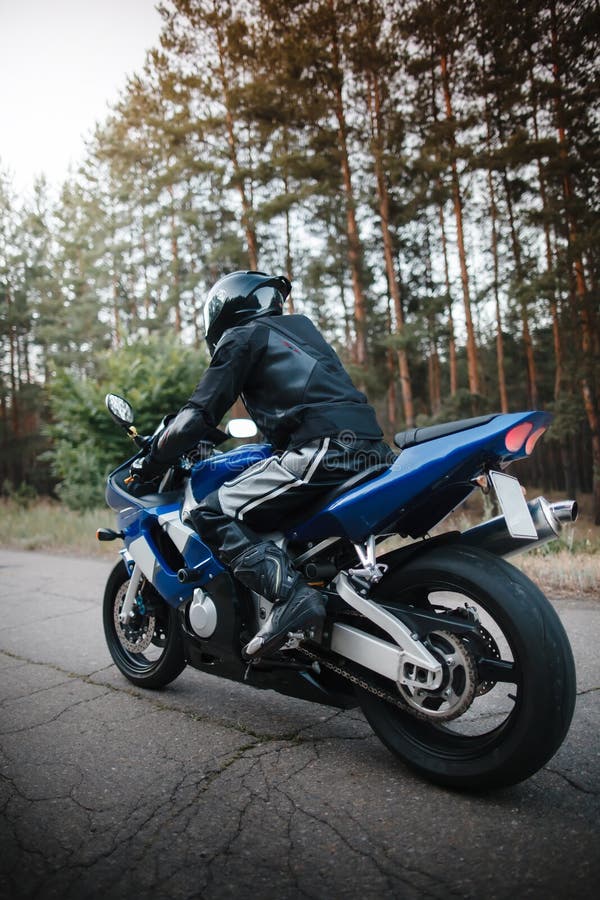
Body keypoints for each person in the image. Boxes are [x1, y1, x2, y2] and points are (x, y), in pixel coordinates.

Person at [132, 270, 393, 660]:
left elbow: (197, 416)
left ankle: (290, 597)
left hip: (323, 449)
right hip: (369, 448)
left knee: (210, 511)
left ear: (224, 310)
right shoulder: (301, 332)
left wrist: (153, 459)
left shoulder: (242, 336)